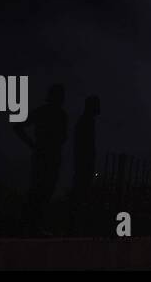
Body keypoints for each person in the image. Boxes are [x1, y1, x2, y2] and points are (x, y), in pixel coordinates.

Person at [15, 83, 68, 235]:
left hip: (49, 155)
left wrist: (32, 144)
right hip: (46, 155)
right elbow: (17, 125)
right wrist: (32, 144)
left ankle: (31, 225)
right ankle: (30, 225)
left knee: (43, 190)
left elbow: (17, 126)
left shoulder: (54, 114)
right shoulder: (53, 114)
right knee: (40, 190)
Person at [69, 95, 100, 230]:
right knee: (82, 195)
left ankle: (77, 224)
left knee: (82, 195)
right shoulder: (86, 122)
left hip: (84, 165)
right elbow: (83, 146)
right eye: (97, 104)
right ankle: (77, 225)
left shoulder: (86, 121)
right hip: (84, 165)